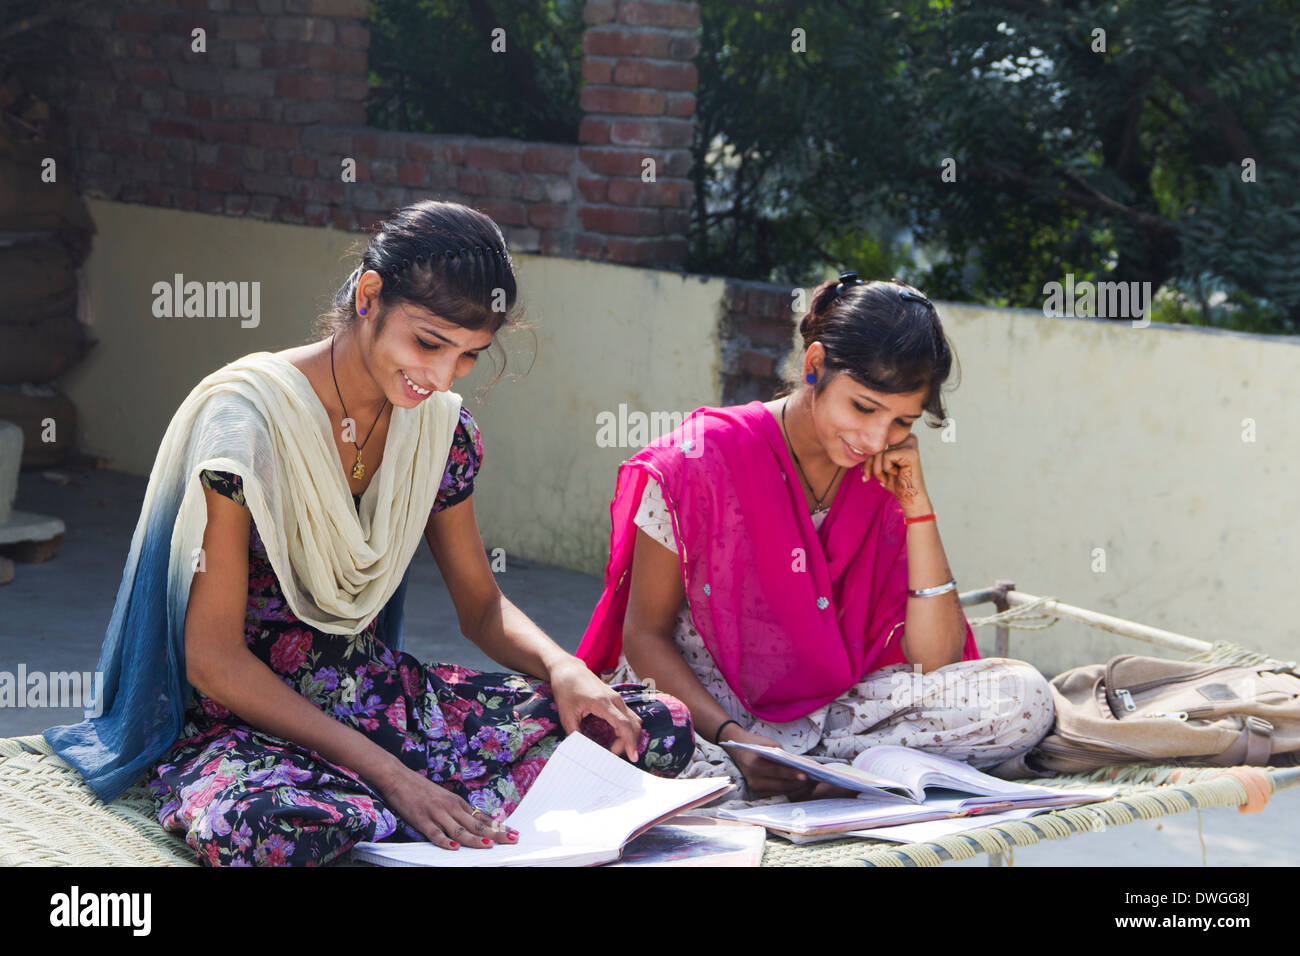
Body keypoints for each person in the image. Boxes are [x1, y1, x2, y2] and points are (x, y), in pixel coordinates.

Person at [44, 200, 694, 865]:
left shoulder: (439, 431)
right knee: (265, 828)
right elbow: (212, 661)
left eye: (469, 356)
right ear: (369, 295)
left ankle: (389, 813)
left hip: (376, 697)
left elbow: (482, 606)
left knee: (647, 728)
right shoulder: (246, 426)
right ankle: (401, 804)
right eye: (428, 343)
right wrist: (393, 777)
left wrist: (566, 669)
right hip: (243, 720)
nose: (440, 377)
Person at [577, 273, 1054, 801]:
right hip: (709, 713)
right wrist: (735, 740)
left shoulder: (882, 476)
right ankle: (803, 774)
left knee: (1022, 698)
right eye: (864, 407)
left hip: (833, 711)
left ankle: (805, 776)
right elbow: (643, 636)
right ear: (814, 366)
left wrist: (918, 508)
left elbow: (934, 664)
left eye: (902, 422)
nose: (875, 438)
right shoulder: (697, 459)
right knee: (643, 746)